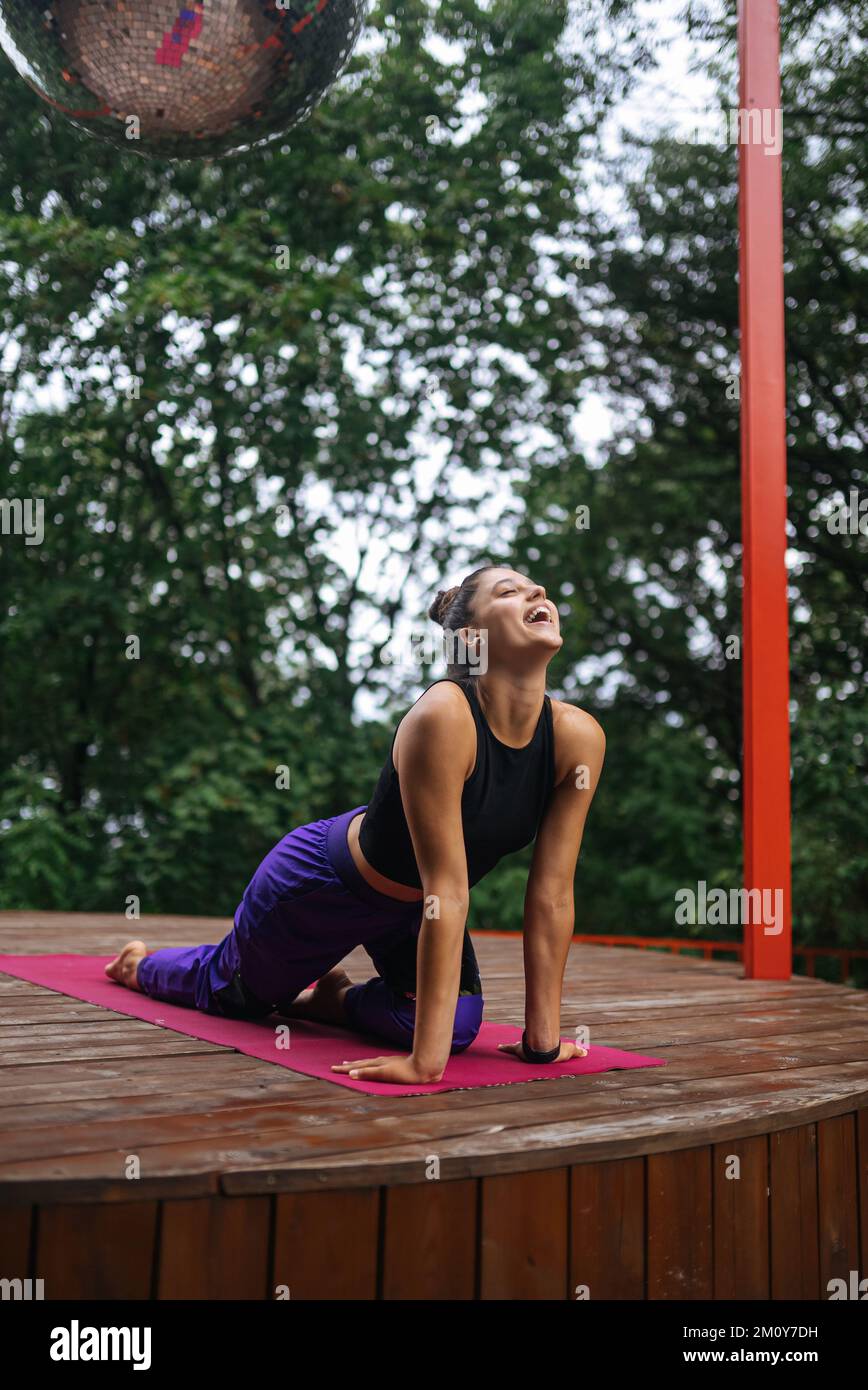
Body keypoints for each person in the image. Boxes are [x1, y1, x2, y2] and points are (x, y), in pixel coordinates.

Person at [106, 564, 606, 1086]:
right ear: (472, 639)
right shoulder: (446, 715)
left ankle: (332, 999)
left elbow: (551, 894)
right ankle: (139, 965)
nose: (538, 591)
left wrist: (542, 1044)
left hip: (411, 909)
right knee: (235, 996)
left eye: (536, 587)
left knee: (453, 1027)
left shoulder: (578, 738)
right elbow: (448, 892)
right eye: (510, 591)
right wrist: (424, 1065)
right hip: (322, 884)